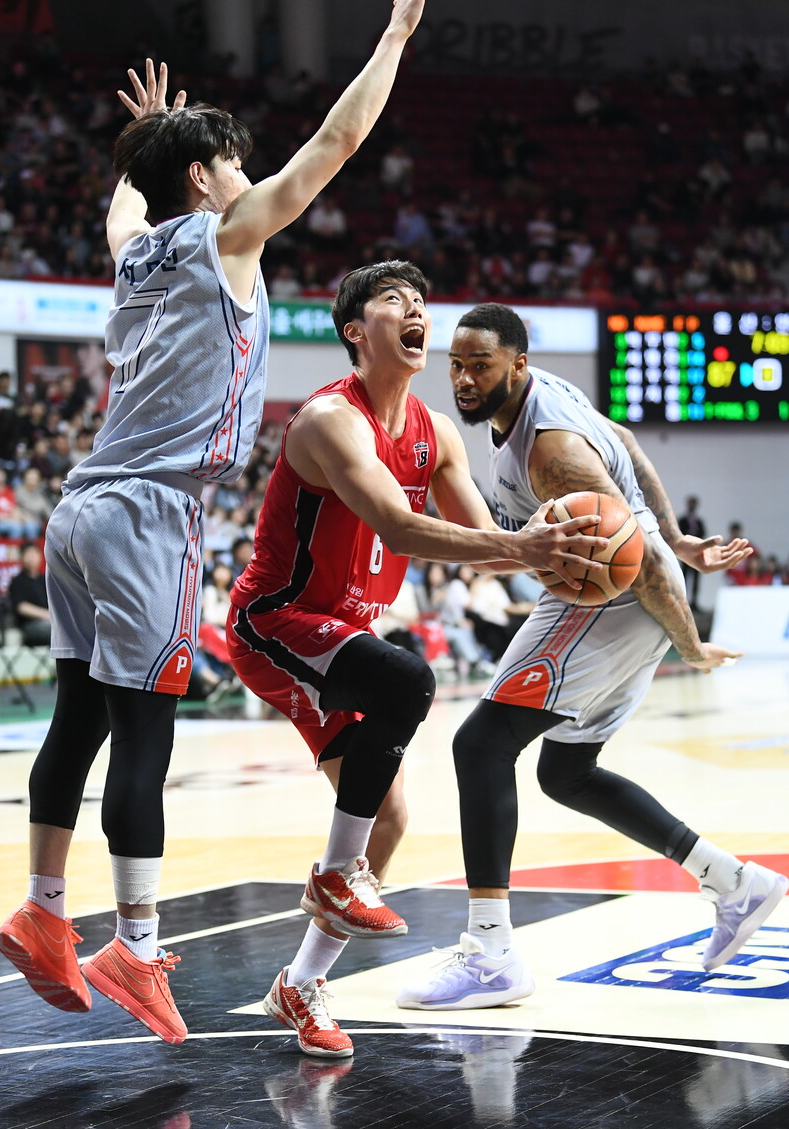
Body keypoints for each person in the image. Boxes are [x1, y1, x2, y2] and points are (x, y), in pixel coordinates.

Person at [0, 0, 436, 1045]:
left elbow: (123, 207)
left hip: (77, 512)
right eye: (233, 163)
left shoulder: (133, 248)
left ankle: (45, 910)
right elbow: (334, 143)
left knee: (76, 718)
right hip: (151, 511)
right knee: (143, 729)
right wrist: (391, 41)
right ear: (205, 183)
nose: (249, 176)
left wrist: (146, 142)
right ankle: (135, 946)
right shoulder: (223, 231)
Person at [226, 262, 610, 1058]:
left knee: (390, 818)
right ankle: (335, 878)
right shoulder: (331, 419)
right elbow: (402, 531)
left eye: (421, 302)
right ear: (354, 333)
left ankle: (299, 984)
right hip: (278, 619)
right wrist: (524, 541)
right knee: (409, 681)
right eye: (392, 300)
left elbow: (490, 551)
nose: (415, 311)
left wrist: (575, 551)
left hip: (337, 634)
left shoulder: (433, 431)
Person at [396, 302, 786, 1012]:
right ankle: (735, 882)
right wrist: (675, 536)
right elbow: (627, 438)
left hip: (618, 600)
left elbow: (646, 569)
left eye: (478, 364)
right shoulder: (542, 396)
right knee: (565, 771)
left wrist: (689, 641)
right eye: (456, 363)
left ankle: (491, 953)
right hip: (615, 590)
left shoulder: (553, 456)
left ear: (516, 363)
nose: (462, 377)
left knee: (481, 743)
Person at [8, 541, 51, 646]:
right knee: (56, 631)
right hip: (30, 625)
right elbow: (22, 607)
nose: (32, 558)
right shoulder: (18, 581)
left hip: (50, 621)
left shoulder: (46, 579)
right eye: (28, 554)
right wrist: (47, 615)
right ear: (21, 558)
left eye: (34, 554)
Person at [677, 495, 706, 609]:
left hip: (697, 554)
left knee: (695, 580)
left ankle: (694, 602)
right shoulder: (682, 521)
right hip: (685, 555)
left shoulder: (699, 521)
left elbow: (703, 534)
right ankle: (683, 601)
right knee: (683, 578)